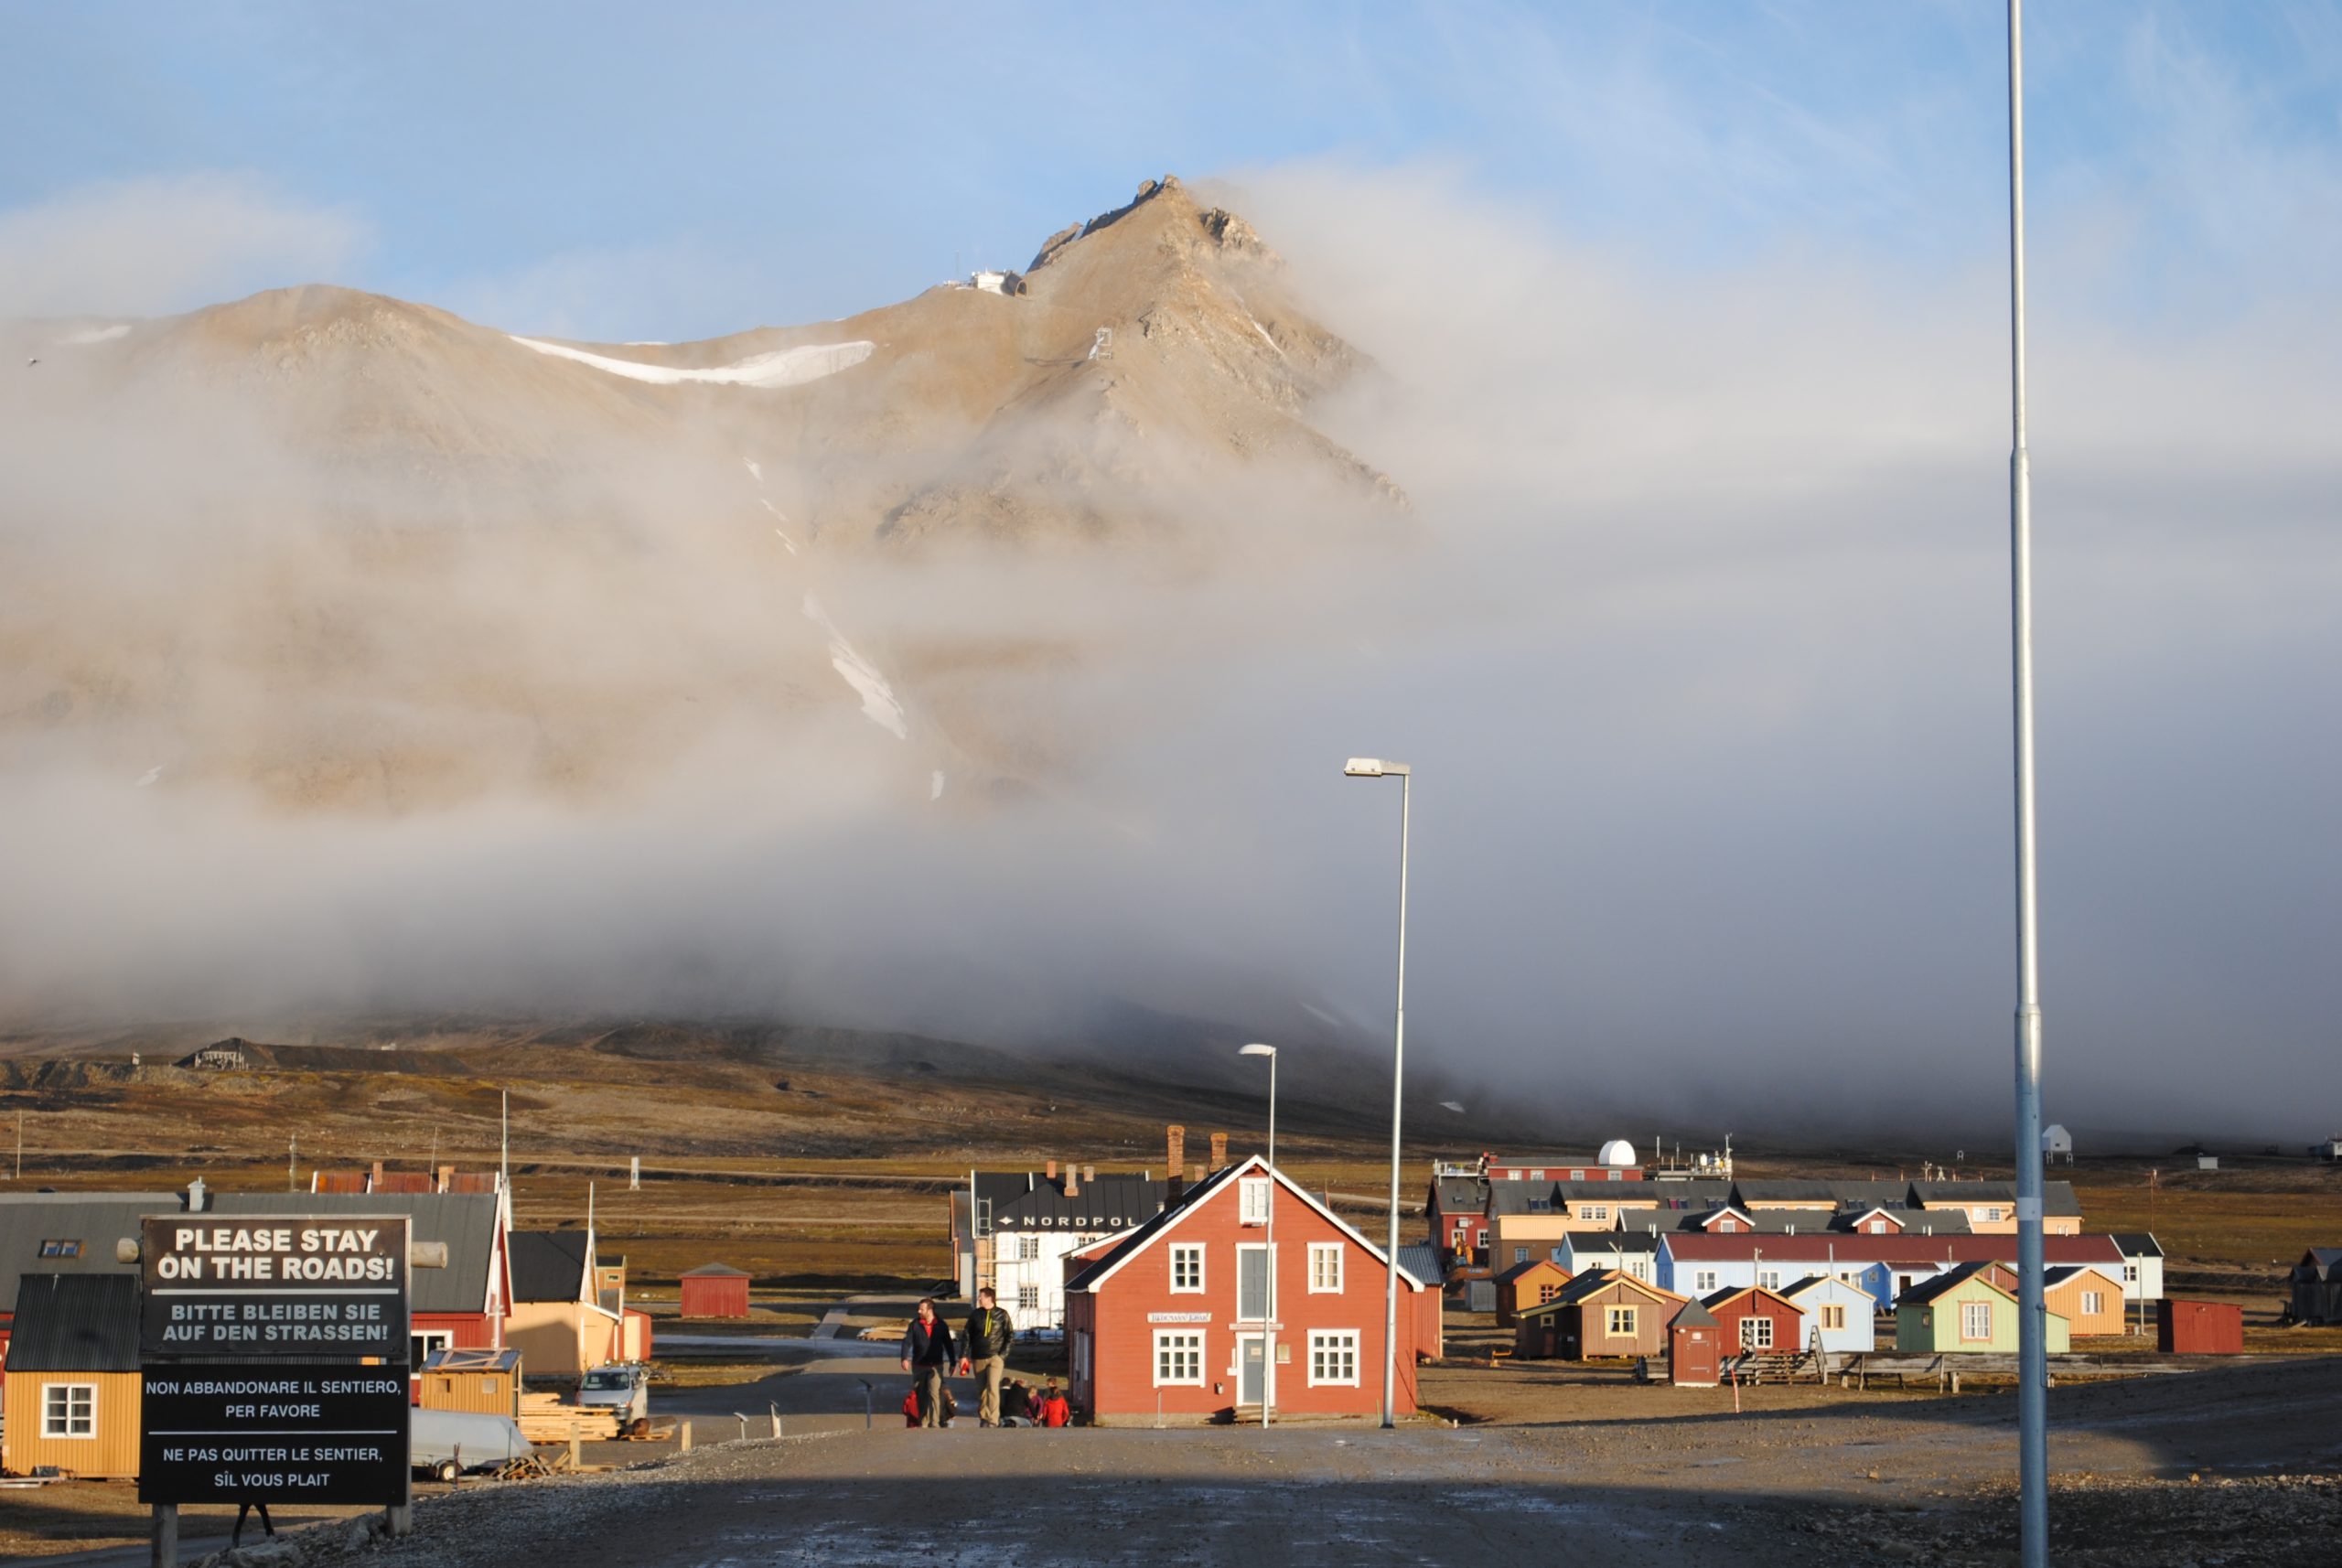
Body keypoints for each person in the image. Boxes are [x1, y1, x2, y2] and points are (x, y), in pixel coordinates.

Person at [958, 1286, 1015, 1427]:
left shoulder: (1002, 1315)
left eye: (981, 1297)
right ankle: (984, 1417)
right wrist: (964, 1355)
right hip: (978, 1357)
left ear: (990, 1298)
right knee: (981, 1389)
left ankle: (993, 1419)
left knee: (992, 1386)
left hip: (995, 1357)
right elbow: (967, 1335)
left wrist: (1002, 1355)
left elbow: (1010, 1335)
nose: (979, 1299)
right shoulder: (975, 1315)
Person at [898, 1296, 956, 1428]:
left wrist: (953, 1362)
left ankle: (934, 1423)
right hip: (919, 1365)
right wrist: (904, 1358)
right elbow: (907, 1342)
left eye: (922, 1309)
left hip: (936, 1365)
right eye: (919, 1308)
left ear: (930, 1310)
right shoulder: (915, 1324)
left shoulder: (941, 1325)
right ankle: (923, 1423)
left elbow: (948, 1344)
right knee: (921, 1395)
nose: (919, 1311)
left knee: (934, 1392)